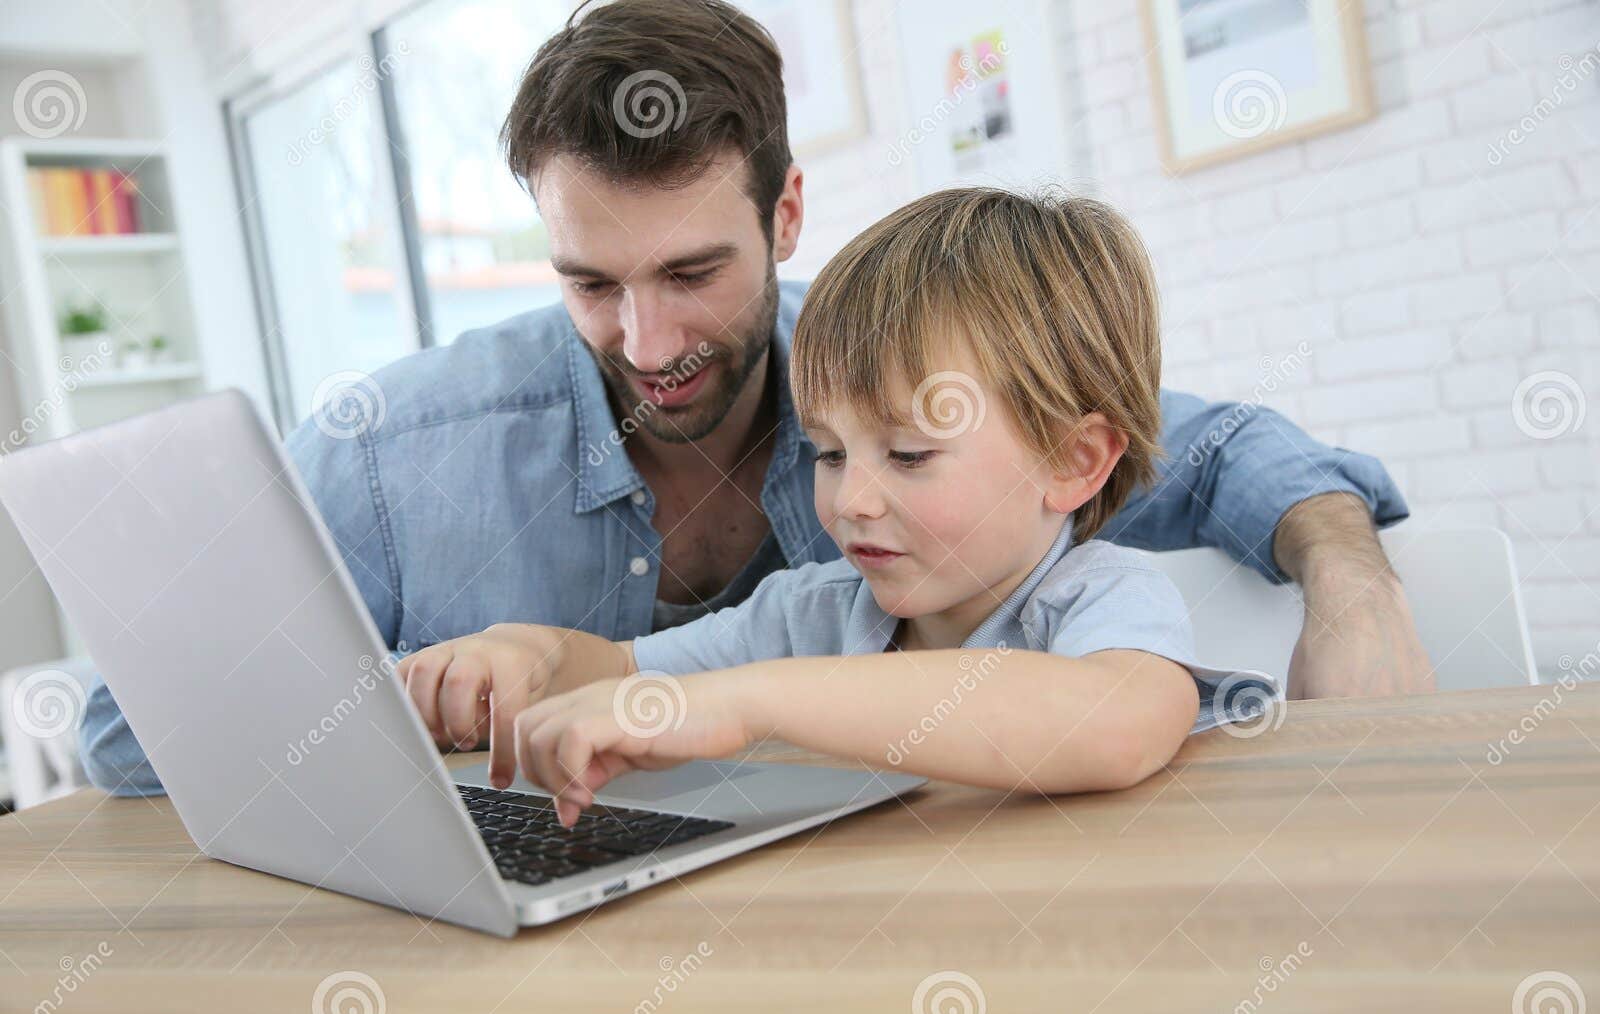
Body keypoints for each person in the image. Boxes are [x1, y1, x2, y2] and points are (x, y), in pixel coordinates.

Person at [77, 0, 1429, 798]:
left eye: (691, 271)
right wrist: (518, 661)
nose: (647, 337)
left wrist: (1355, 590)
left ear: (784, 216)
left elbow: (1122, 696)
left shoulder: (908, 394)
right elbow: (130, 735)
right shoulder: (411, 455)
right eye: (591, 282)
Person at [397, 187, 1281, 826]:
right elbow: (623, 676)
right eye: (826, 451)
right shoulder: (812, 612)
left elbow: (1112, 725)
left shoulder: (1101, 598)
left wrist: (750, 703)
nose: (851, 499)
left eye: (908, 454)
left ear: (1074, 460)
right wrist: (531, 654)